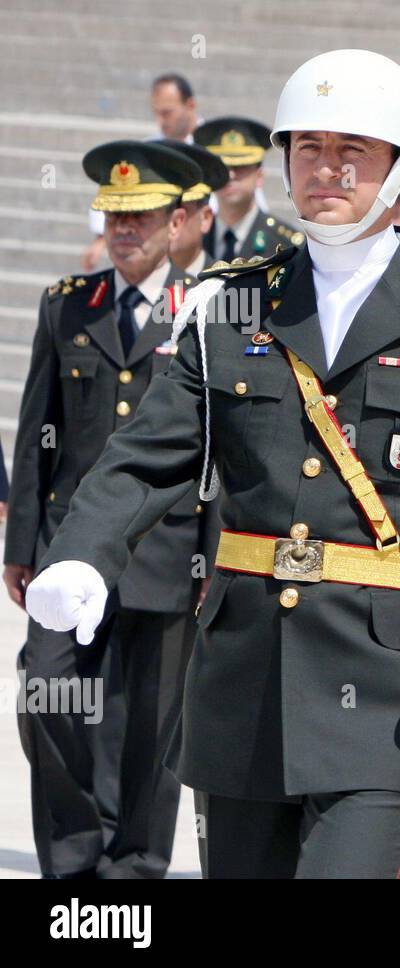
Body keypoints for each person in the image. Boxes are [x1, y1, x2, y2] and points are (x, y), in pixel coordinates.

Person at [22, 49, 400, 879]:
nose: (326, 169)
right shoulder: (228, 305)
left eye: (353, 151)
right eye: (308, 149)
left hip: (383, 697)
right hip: (242, 683)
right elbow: (148, 454)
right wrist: (86, 550)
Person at [4, 140, 212, 878]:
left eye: (143, 217)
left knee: (150, 724)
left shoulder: (210, 309)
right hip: (68, 547)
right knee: (48, 694)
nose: (126, 230)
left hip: (168, 547)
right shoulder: (69, 304)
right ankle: (72, 856)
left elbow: (223, 448)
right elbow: (37, 431)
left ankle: (133, 865)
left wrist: (213, 557)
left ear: (179, 221)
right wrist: (21, 545)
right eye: (115, 217)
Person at [81, 74, 201, 272]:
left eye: (167, 112)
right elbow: (114, 198)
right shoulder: (148, 150)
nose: (161, 120)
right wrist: (101, 239)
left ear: (190, 105)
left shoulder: (213, 148)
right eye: (156, 112)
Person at [192, 116, 303, 263]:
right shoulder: (193, 240)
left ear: (259, 176)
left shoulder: (286, 243)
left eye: (240, 167)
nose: (230, 175)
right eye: (222, 169)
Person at [162, 140, 229, 277]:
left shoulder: (228, 289)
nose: (170, 221)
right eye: (161, 211)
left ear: (205, 218)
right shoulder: (133, 289)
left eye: (179, 211)